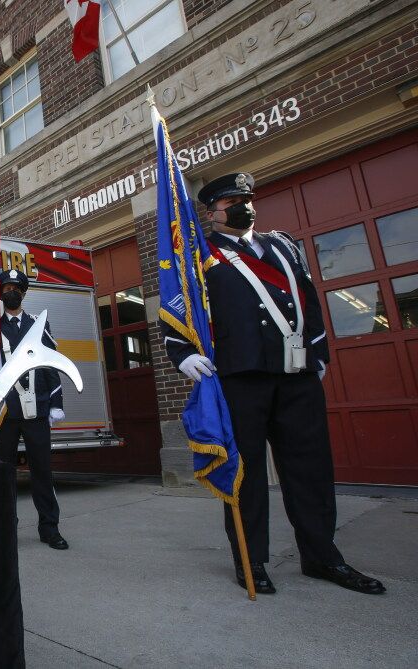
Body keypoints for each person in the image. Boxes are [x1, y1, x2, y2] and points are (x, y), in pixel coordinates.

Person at [163, 172, 384, 595]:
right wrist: (181, 351)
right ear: (212, 213)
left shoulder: (284, 244)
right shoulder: (199, 254)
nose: (245, 206)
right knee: (245, 475)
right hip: (240, 375)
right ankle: (252, 560)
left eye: (248, 198)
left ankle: (322, 557)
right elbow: (179, 303)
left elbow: (310, 299)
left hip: (296, 375)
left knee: (311, 471)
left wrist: (317, 354)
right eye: (232, 202)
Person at [0, 270, 68, 550]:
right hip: (5, 414)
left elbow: (51, 365)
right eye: (7, 287)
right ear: (1, 293)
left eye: (16, 288)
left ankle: (50, 528)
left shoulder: (39, 325)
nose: (11, 292)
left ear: (24, 293)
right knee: (4, 476)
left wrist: (56, 404)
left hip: (36, 410)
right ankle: (5, 530)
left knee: (43, 473)